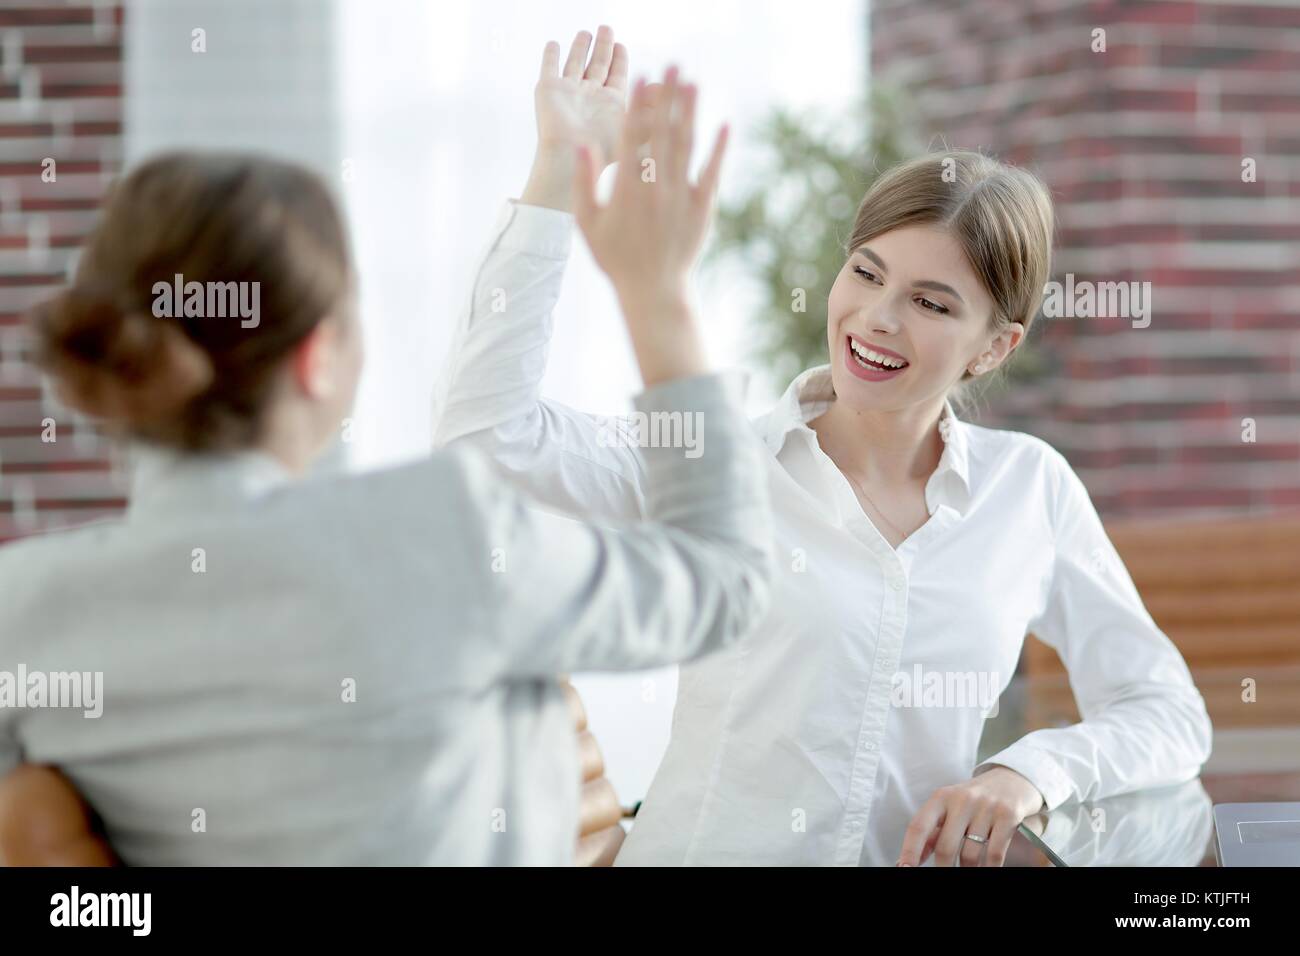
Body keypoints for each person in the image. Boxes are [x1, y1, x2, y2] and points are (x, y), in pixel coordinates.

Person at [433, 25, 1214, 867]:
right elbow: (486, 438)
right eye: (867, 273)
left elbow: (1167, 711)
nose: (878, 318)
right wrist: (557, 173)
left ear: (995, 347)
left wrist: (1025, 774)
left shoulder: (1029, 491)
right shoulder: (717, 457)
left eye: (933, 303)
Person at [0, 69, 772, 865]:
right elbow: (726, 583)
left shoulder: (20, 610)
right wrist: (657, 294)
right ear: (318, 357)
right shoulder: (446, 538)